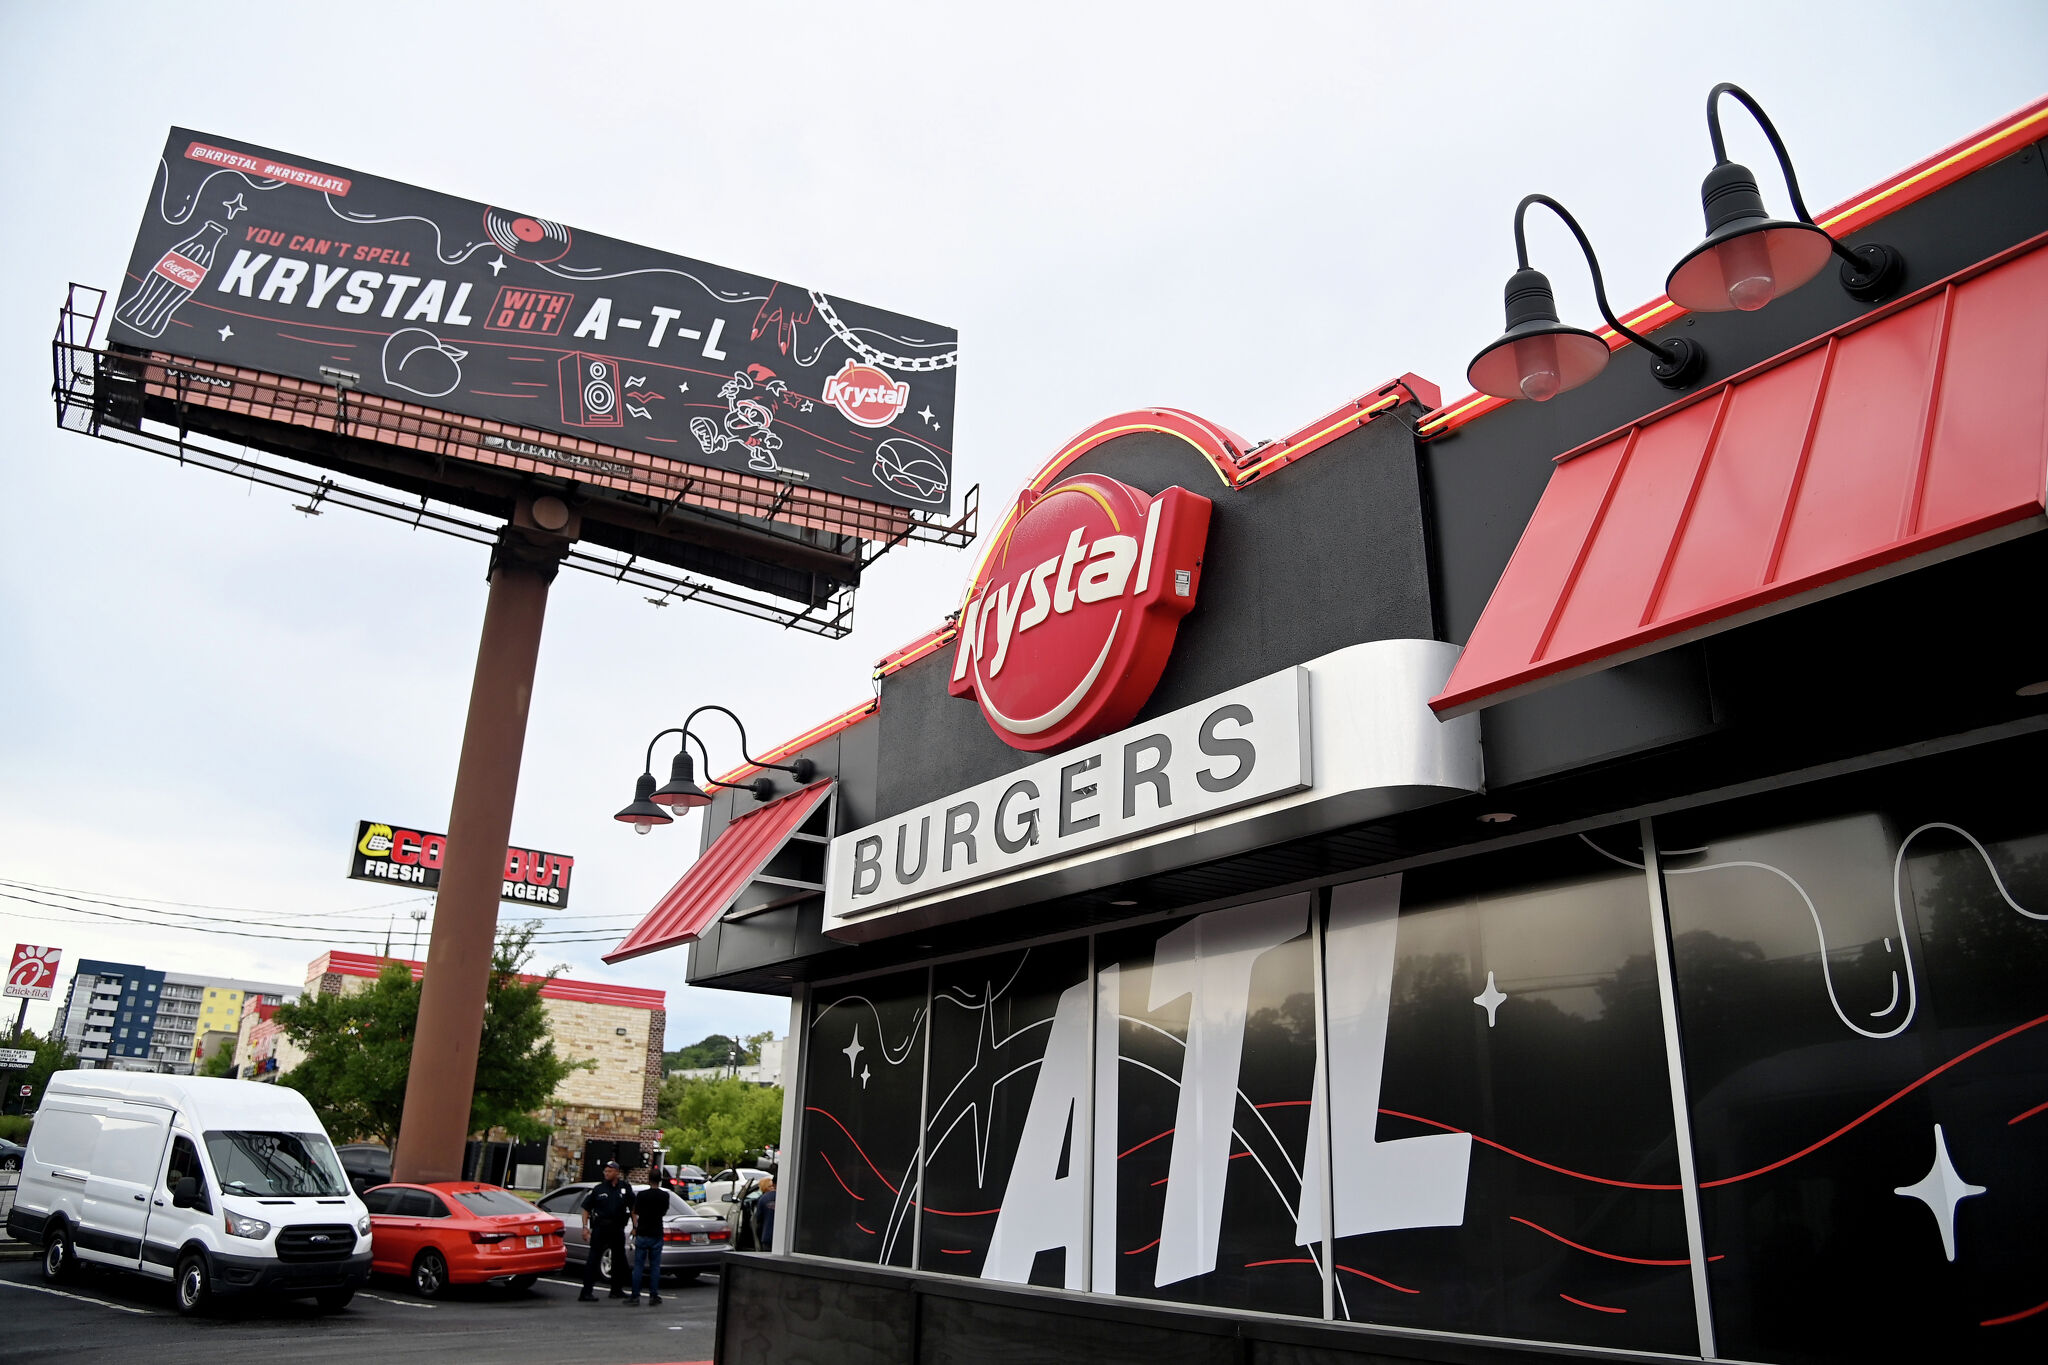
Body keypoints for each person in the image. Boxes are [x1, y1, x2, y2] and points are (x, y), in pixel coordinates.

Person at [578, 1159, 632, 1301]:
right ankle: (586, 1292)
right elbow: (586, 1208)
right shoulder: (599, 1189)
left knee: (618, 1259)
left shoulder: (625, 1188)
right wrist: (585, 1227)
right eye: (605, 1171)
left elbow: (633, 1208)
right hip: (601, 1228)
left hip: (617, 1228)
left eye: (609, 1171)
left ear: (617, 1172)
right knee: (593, 1259)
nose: (606, 1173)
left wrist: (635, 1226)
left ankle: (616, 1290)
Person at [626, 1167, 668, 1305]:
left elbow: (635, 1211)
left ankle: (635, 1296)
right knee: (655, 1267)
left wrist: (635, 1227)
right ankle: (653, 1295)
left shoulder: (642, 1195)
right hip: (656, 1232)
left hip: (643, 1231)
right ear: (660, 1180)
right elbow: (664, 1212)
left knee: (638, 1266)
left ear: (648, 1179)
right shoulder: (664, 1196)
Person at [755, 1175, 776, 1251]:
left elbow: (758, 1219)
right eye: (770, 1186)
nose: (772, 1187)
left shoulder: (763, 1199)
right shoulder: (787, 1197)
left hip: (767, 1237)